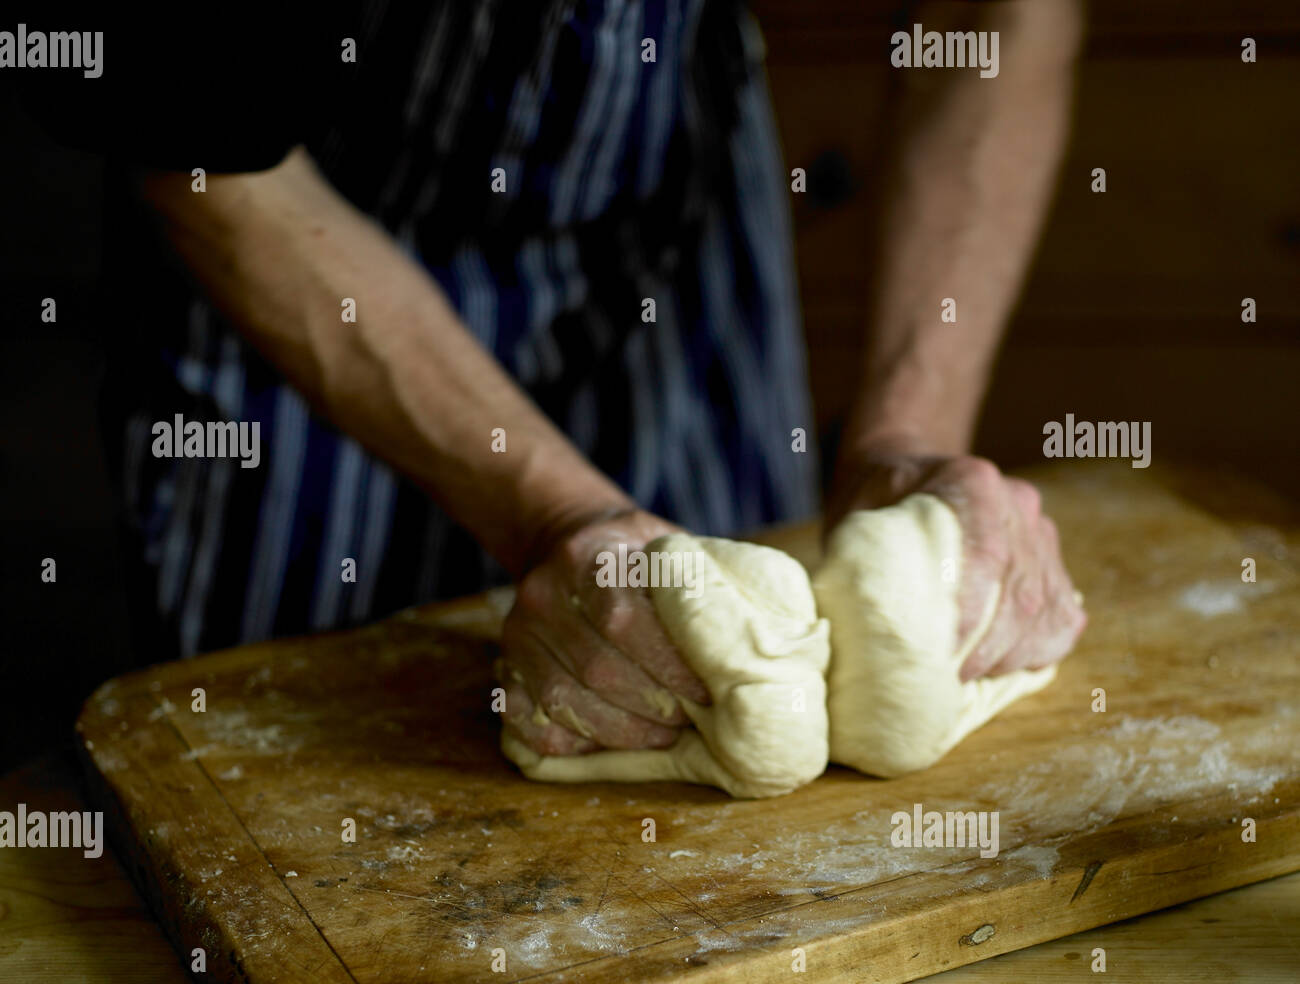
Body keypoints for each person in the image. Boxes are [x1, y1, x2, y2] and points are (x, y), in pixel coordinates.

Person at [19, 0, 1086, 762]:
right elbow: (205, 155)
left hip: (664, 220)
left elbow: (998, 17)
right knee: (301, 776)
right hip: (298, 249)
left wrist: (906, 439)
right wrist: (559, 515)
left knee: (709, 700)